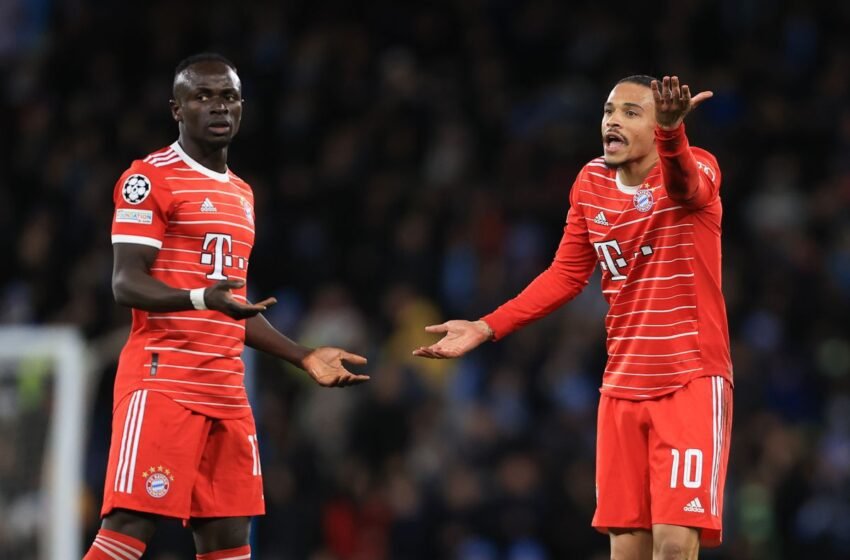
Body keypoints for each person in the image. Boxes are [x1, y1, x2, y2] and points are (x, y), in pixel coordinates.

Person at [414, 75, 732, 559]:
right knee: (627, 550)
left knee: (672, 547)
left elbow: (687, 186)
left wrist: (673, 136)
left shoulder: (698, 166)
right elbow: (565, 275)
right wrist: (485, 326)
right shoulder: (591, 182)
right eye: (608, 111)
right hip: (622, 387)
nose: (613, 121)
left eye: (631, 112)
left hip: (688, 381)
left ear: (660, 124)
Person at [84, 53, 369, 560]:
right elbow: (125, 283)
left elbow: (232, 308)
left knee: (228, 543)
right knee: (129, 528)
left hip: (227, 391)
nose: (219, 107)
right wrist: (198, 298)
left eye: (229, 96)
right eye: (203, 96)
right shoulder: (149, 177)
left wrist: (302, 356)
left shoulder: (242, 194)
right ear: (177, 108)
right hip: (163, 381)